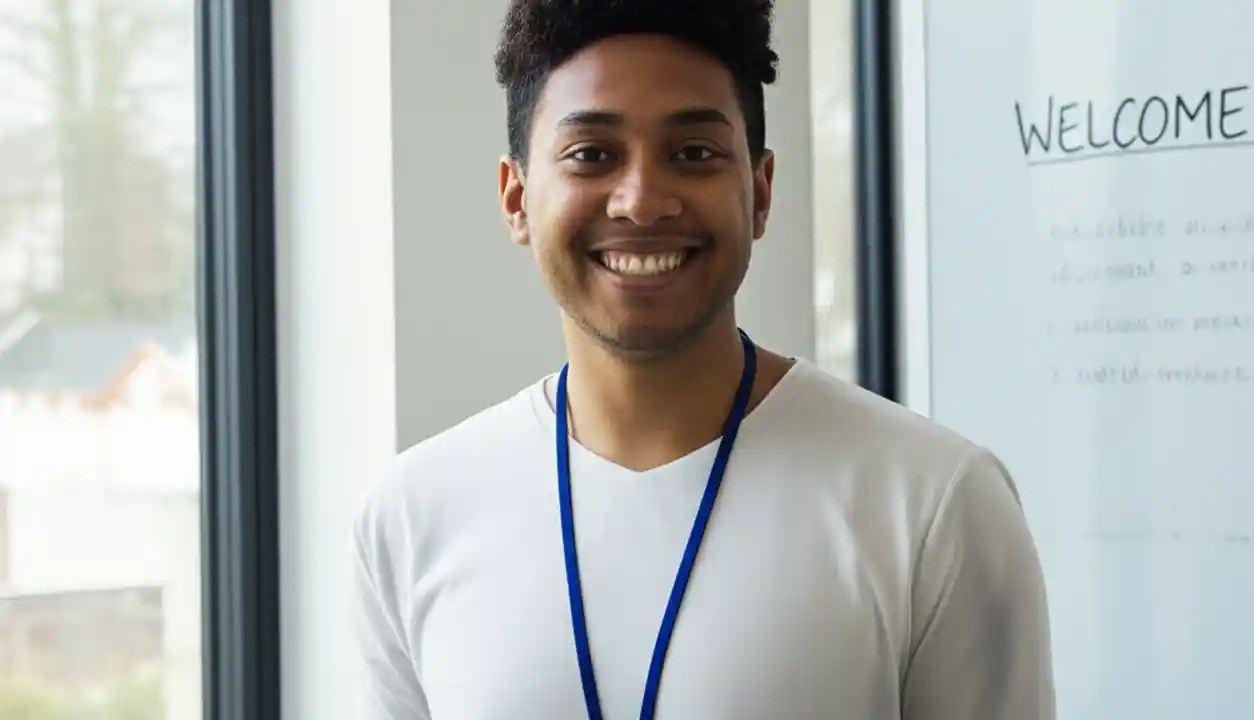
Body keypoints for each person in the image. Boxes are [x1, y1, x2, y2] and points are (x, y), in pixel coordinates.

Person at [352, 1, 1055, 718]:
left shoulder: (932, 502)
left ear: (760, 190)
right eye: (592, 154)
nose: (642, 200)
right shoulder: (414, 517)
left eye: (693, 153)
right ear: (516, 199)